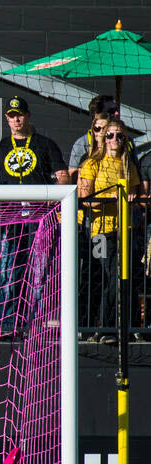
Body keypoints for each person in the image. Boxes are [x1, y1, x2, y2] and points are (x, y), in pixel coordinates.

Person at [0, 95, 69, 336]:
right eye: (11, 116)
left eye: (19, 114)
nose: (16, 119)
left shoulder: (45, 144)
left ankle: (34, 323)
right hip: (10, 221)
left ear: (28, 115)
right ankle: (8, 323)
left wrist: (55, 197)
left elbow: (63, 175)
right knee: (7, 272)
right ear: (7, 119)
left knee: (38, 272)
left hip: (40, 219)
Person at [78, 119, 144, 335]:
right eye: (111, 135)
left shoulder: (128, 165)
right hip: (100, 232)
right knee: (109, 276)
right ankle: (106, 327)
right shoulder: (91, 163)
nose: (115, 139)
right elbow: (85, 199)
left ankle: (126, 326)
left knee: (126, 277)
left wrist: (133, 197)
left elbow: (136, 195)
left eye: (120, 136)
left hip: (126, 230)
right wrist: (113, 197)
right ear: (103, 138)